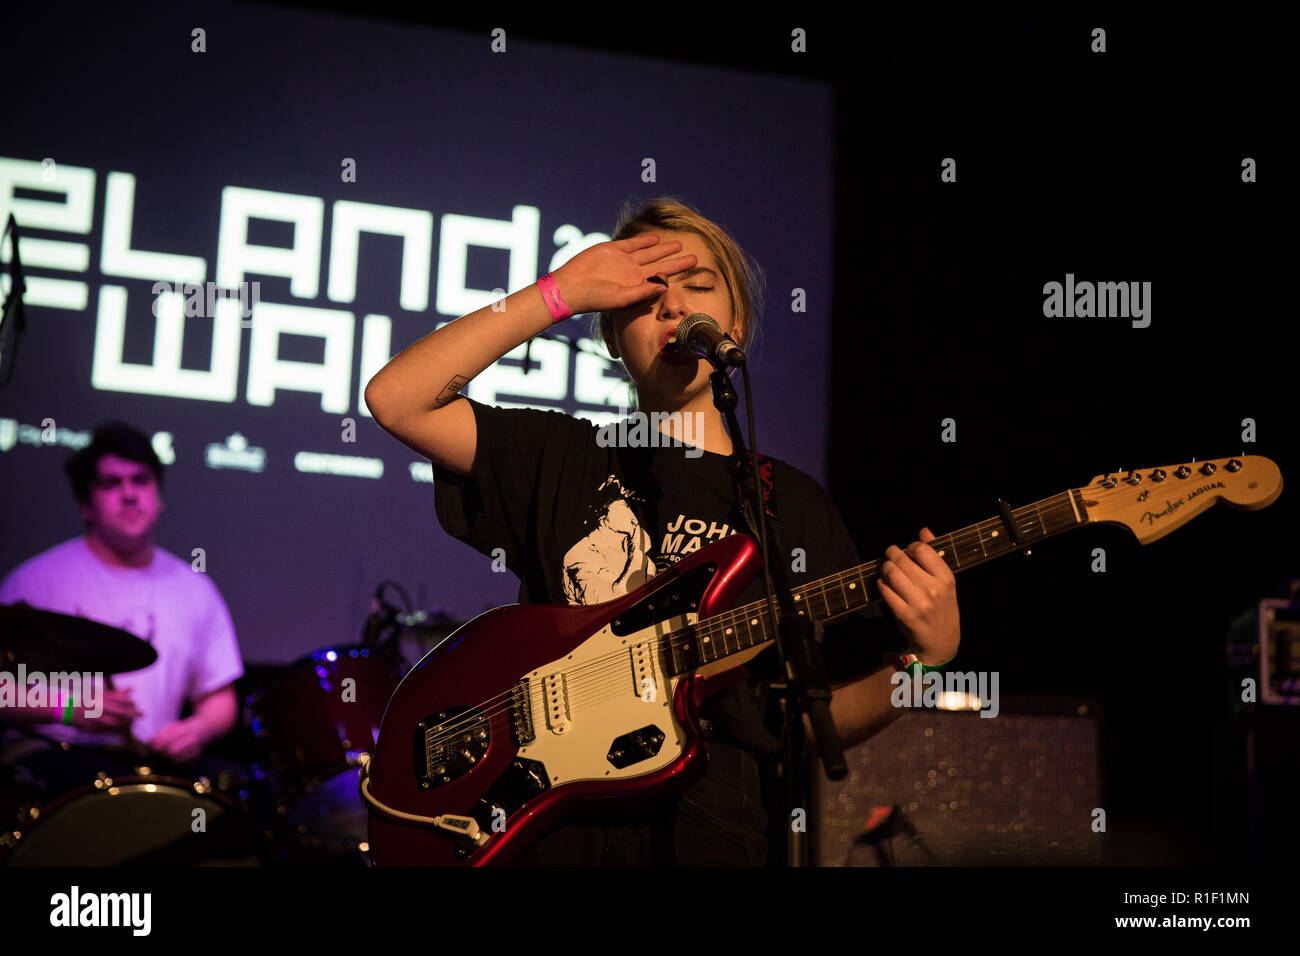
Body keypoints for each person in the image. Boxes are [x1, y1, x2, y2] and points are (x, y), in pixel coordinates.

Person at [365, 197, 960, 865]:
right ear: (613, 334)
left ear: (735, 321)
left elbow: (806, 718)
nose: (674, 307)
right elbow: (398, 398)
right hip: (551, 833)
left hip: (712, 833)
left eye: (698, 287)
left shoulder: (788, 503)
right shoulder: (560, 454)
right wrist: (562, 292)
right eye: (643, 295)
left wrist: (925, 667)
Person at [0, 422, 244, 796]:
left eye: (141, 480)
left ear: (159, 496)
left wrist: (197, 730)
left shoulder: (194, 588)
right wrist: (68, 709)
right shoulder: (35, 581)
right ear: (86, 505)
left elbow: (220, 697)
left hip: (150, 766)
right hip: (51, 761)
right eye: (112, 484)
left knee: (237, 790)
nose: (129, 494)